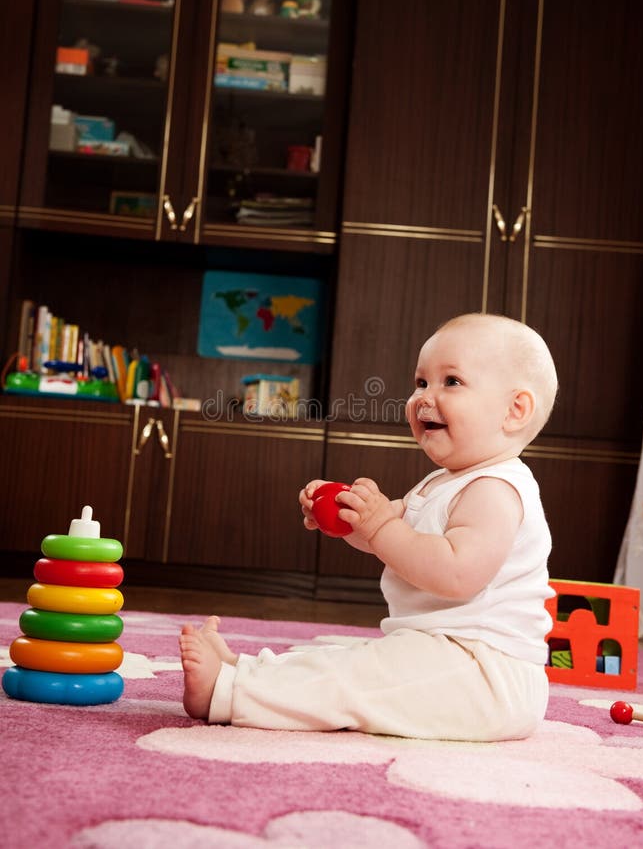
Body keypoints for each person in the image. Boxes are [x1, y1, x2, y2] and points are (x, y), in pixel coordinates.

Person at [179, 313, 559, 740]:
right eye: (421, 382)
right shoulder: (442, 482)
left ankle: (228, 692)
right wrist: (350, 518)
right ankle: (243, 671)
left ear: (514, 410)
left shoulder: (497, 489)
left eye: (451, 381)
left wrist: (380, 526)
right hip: (444, 656)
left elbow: (456, 574)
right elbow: (395, 540)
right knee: (347, 663)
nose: (425, 397)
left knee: (354, 679)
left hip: (487, 677)